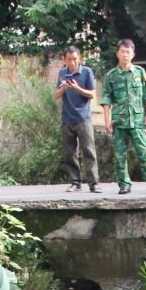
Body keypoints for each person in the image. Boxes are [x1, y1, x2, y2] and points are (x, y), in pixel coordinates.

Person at [101, 39, 146, 196]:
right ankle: (124, 184)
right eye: (122, 51)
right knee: (120, 156)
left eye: (128, 52)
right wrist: (107, 120)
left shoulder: (139, 72)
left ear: (133, 54)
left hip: (138, 121)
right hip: (119, 121)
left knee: (145, 154)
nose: (125, 55)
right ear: (117, 54)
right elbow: (106, 99)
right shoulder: (111, 76)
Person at [56, 45, 99, 192]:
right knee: (69, 152)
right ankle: (75, 181)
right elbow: (56, 95)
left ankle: (93, 183)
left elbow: (92, 94)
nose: (72, 63)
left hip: (84, 118)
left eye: (75, 59)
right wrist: (64, 87)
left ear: (79, 58)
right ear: (64, 60)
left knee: (88, 150)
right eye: (69, 60)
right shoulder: (62, 73)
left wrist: (77, 88)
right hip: (67, 118)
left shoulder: (87, 72)